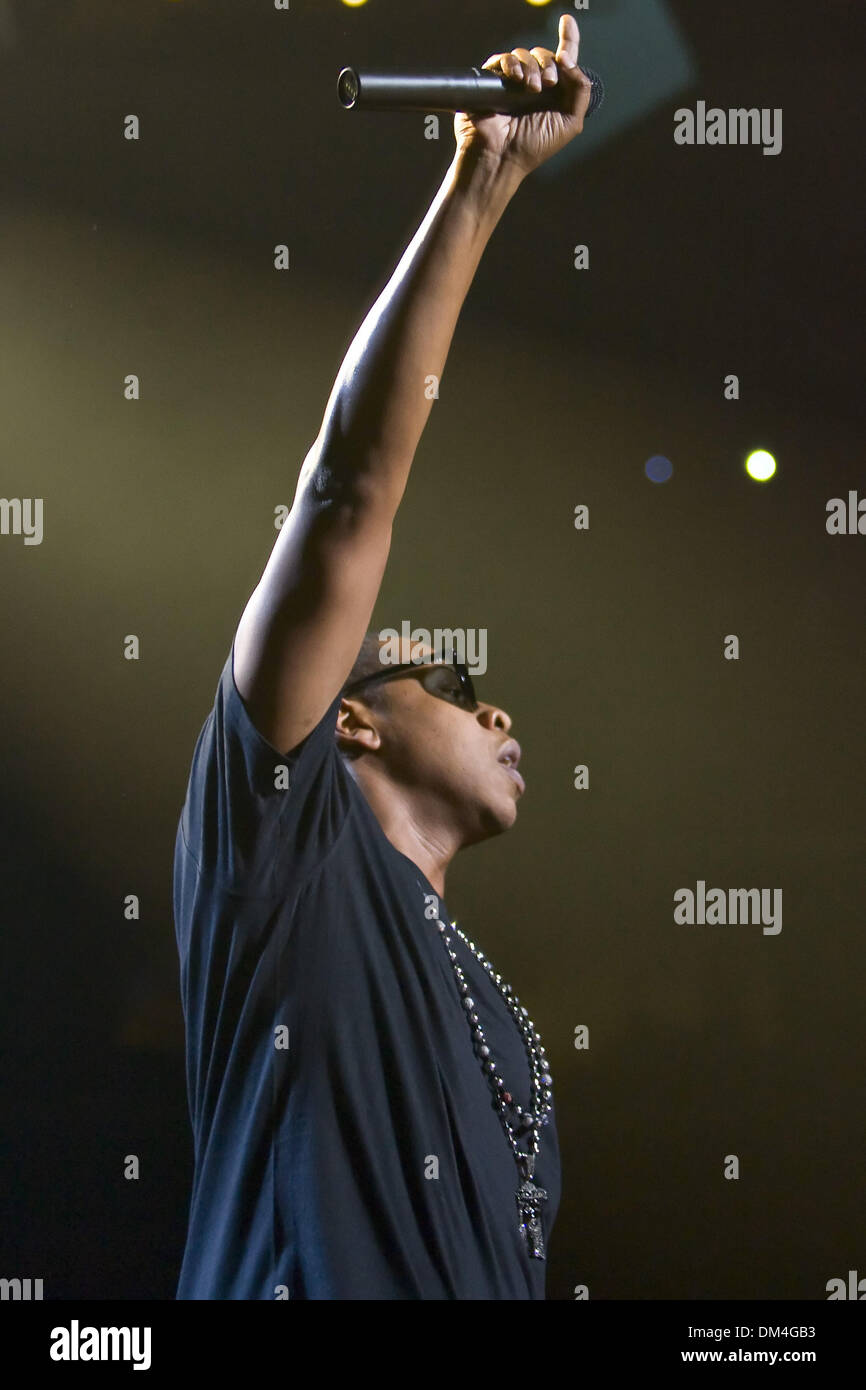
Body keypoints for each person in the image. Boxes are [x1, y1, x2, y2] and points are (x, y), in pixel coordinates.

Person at [174, 13, 593, 1300]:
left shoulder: (502, 1031)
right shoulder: (281, 847)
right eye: (453, 686)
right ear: (350, 722)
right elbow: (349, 488)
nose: (497, 706)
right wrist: (480, 186)